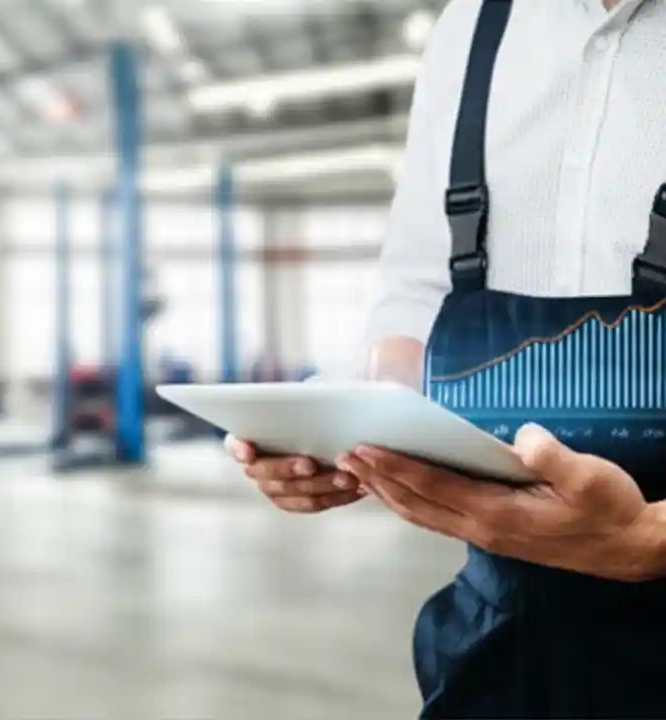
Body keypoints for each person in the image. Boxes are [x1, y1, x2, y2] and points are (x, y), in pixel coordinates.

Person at [226, 0, 666, 716]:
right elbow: (418, 289)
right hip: (495, 643)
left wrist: (650, 540)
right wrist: (345, 428)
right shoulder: (472, 27)